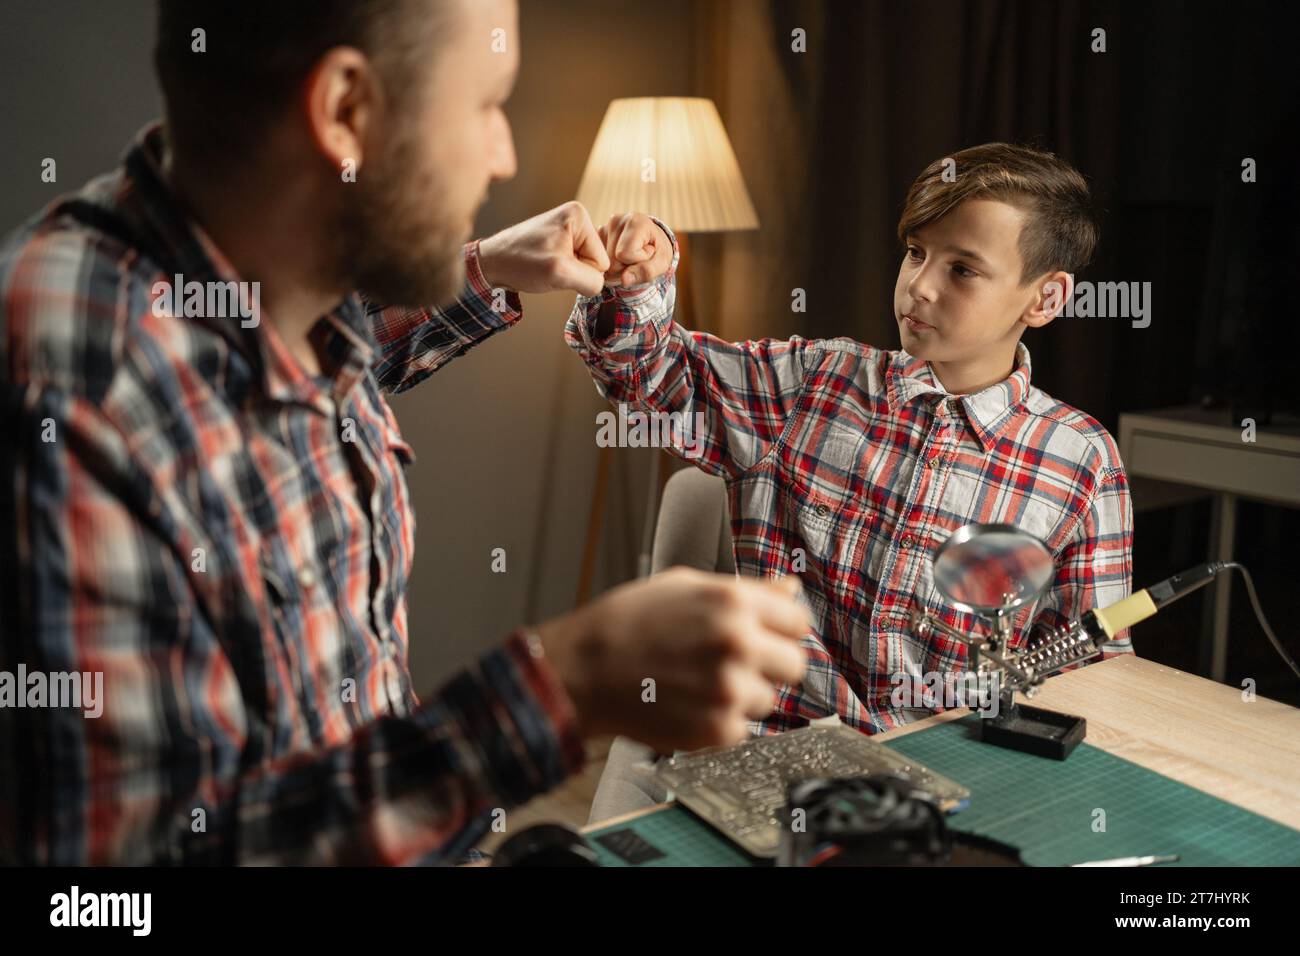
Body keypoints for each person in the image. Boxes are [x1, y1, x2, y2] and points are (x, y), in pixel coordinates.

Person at [0, 0, 809, 865]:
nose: (503, 155)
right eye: (486, 103)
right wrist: (563, 689)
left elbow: (285, 371)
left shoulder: (267, 281)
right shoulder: (75, 386)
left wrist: (486, 268)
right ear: (346, 108)